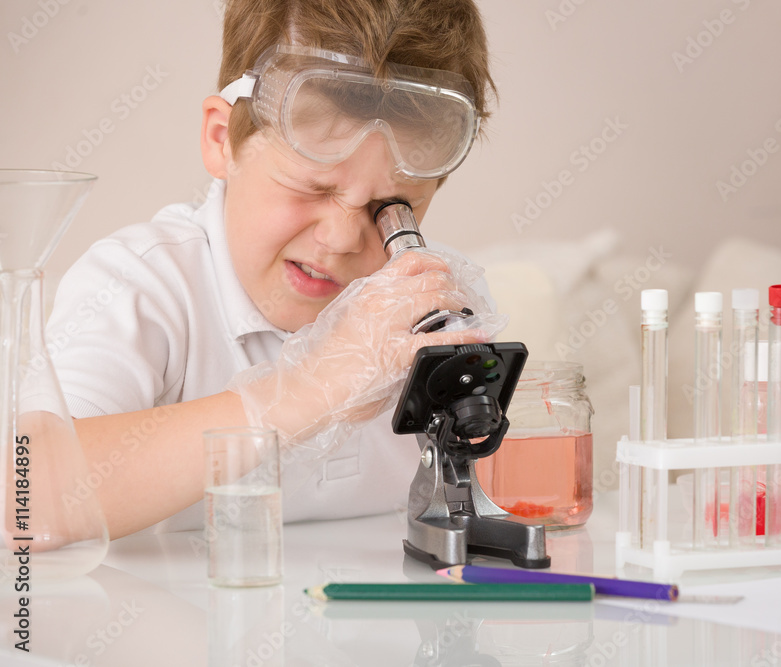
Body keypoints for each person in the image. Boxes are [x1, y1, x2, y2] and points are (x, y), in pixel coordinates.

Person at [46, 0, 500, 540]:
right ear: (221, 140)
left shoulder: (422, 308)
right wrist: (307, 387)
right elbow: (30, 497)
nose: (340, 239)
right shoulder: (140, 286)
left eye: (392, 207)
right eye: (312, 187)